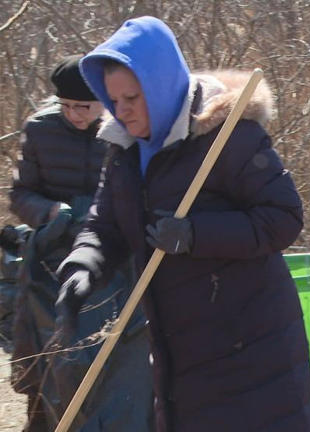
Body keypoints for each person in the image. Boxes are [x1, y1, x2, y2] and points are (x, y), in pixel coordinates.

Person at [54, 17, 310, 431]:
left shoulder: (229, 136)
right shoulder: (124, 149)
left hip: (249, 344)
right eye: (113, 99)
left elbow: (283, 218)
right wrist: (83, 265)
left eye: (132, 98)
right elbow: (105, 223)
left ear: (159, 85)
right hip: (177, 346)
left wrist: (196, 234)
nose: (121, 110)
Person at [9, 55, 154, 432]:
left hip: (114, 259)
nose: (74, 114)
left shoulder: (126, 130)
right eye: (66, 106)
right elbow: (20, 194)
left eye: (83, 106)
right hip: (52, 259)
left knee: (118, 361)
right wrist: (50, 212)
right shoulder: (40, 129)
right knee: (51, 360)